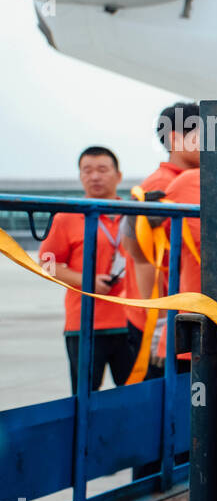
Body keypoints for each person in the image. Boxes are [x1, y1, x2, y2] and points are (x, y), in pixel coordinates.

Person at [120, 102, 202, 378]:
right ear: (175, 138)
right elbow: (141, 259)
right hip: (158, 321)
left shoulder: (193, 180)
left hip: (173, 316)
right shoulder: (161, 185)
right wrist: (156, 332)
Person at [41, 147, 132, 393]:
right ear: (80, 176)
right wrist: (86, 280)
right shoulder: (66, 217)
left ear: (118, 175)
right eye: (87, 170)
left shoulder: (135, 214)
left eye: (102, 169)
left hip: (131, 321)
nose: (95, 176)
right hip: (83, 324)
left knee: (137, 398)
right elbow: (47, 264)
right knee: (84, 399)